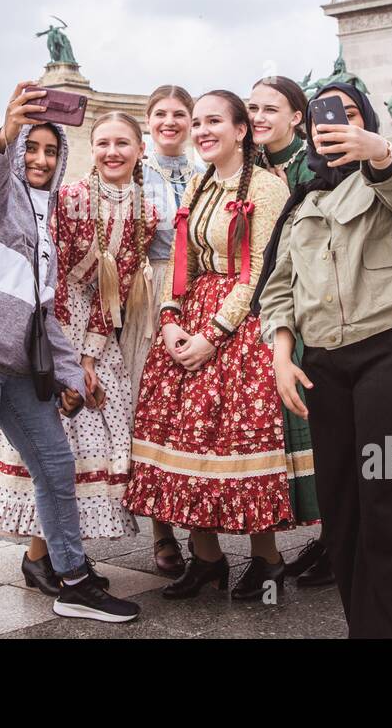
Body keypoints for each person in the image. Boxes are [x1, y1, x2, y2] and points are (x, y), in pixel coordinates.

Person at [0, 82, 141, 638]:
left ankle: (72, 580)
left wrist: (73, 376)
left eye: (50, 151)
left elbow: (44, 315)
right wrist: (6, 131)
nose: (40, 159)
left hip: (14, 361)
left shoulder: (44, 224)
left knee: (56, 463)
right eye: (31, 149)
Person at [255, 79, 392, 637]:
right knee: (342, 514)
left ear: (364, 121)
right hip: (325, 368)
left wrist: (378, 153)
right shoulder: (303, 202)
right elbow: (278, 289)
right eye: (322, 117)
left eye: (348, 114)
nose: (334, 125)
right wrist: (282, 354)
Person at [122, 89, 296, 601]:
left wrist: (214, 333)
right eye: (197, 122)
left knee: (232, 438)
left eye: (213, 121)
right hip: (189, 314)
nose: (201, 131)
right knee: (179, 439)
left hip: (238, 323)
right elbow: (184, 260)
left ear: (241, 130)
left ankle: (267, 560)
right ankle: (207, 558)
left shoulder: (266, 188)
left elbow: (260, 267)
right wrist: (172, 317)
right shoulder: (197, 184)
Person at [0, 111, 157, 592]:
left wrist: (92, 355)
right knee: (58, 445)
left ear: (139, 149)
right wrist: (69, 362)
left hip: (99, 336)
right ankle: (42, 556)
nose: (112, 152)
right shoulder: (69, 199)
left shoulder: (146, 208)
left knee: (89, 447)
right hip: (55, 328)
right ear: (91, 149)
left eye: (123, 143)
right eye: (102, 143)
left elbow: (116, 289)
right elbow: (51, 280)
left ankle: (60, 555)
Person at [120, 85, 203, 576]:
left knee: (191, 411)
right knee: (147, 407)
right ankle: (161, 529)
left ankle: (200, 524)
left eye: (179, 114)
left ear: (191, 122)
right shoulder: (131, 171)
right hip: (145, 295)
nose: (169, 122)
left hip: (197, 294)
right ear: (147, 122)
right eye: (160, 114)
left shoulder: (206, 172)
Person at [248, 75, 326, 583]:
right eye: (252, 108)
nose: (258, 117)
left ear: (297, 117)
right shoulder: (247, 166)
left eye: (270, 109)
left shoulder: (313, 163)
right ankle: (325, 536)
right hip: (269, 309)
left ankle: (336, 540)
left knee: (321, 427)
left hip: (315, 307)